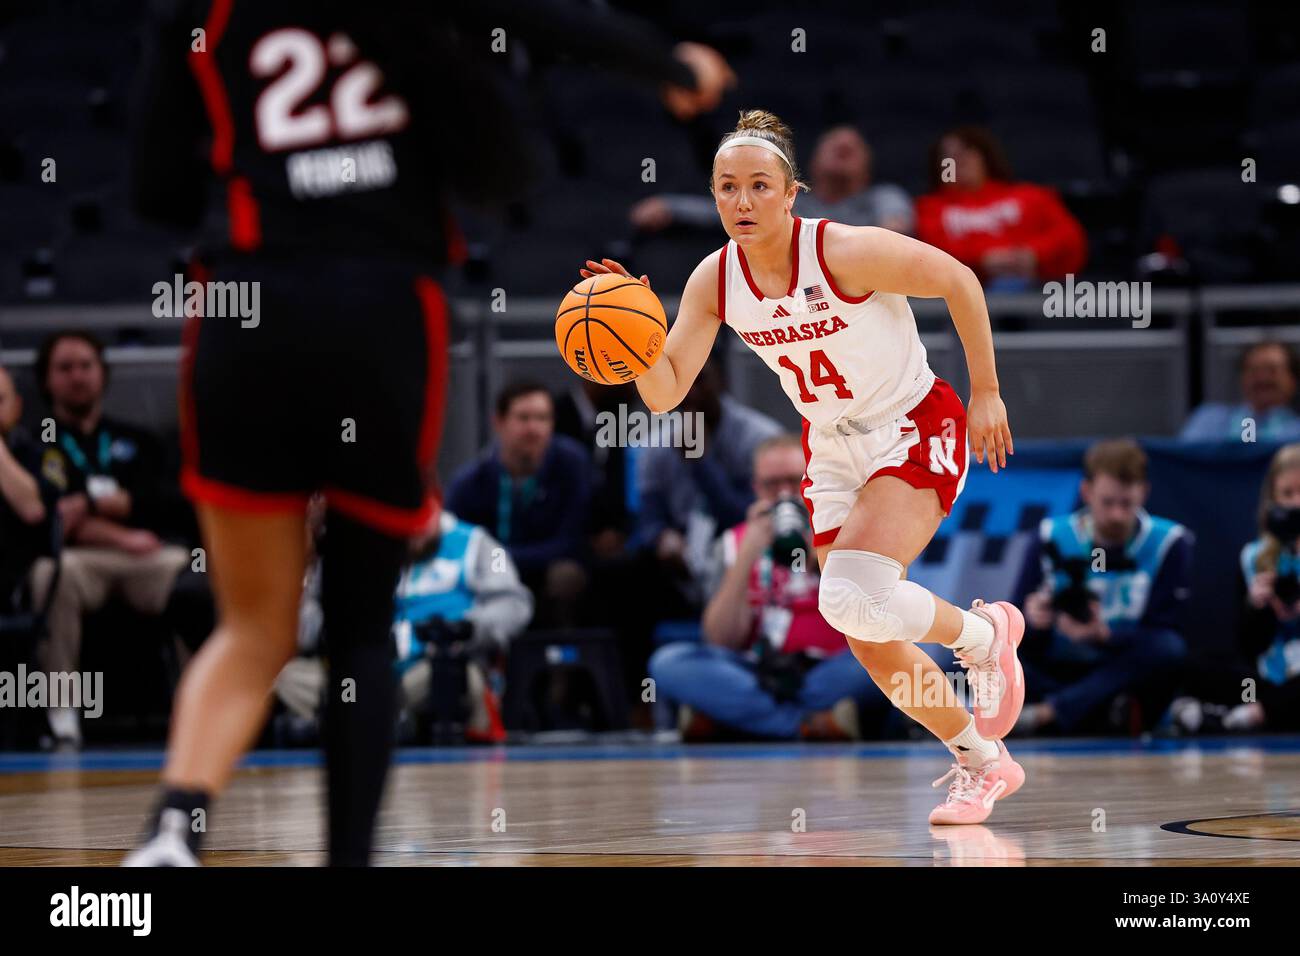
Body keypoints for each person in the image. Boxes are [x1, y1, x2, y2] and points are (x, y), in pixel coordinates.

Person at [125, 0, 734, 867]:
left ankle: (171, 831)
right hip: (382, 316)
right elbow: (550, 37)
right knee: (361, 629)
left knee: (253, 627)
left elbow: (158, 196)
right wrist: (675, 66)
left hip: (246, 311)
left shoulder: (202, 13)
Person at [578, 109, 1025, 826]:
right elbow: (664, 393)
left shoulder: (843, 250)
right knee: (864, 629)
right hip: (830, 447)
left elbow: (958, 279)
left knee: (850, 595)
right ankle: (983, 762)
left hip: (914, 422)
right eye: (728, 187)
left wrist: (989, 393)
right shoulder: (714, 279)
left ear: (792, 195)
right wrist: (632, 337)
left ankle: (983, 638)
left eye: (760, 186)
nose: (743, 201)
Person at [651, 434, 902, 741]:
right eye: (772, 485)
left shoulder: (845, 532)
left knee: (907, 653)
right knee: (670, 663)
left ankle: (737, 721)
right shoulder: (733, 543)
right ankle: (811, 724)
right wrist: (746, 557)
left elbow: (881, 617)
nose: (784, 494)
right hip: (757, 671)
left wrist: (827, 559)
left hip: (829, 668)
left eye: (793, 481)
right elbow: (719, 640)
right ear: (755, 488)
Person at [28, 331, 192, 750]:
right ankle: (62, 714)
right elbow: (53, 517)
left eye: (86, 366)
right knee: (49, 576)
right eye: (64, 368)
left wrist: (118, 505)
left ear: (102, 374)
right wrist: (112, 519)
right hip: (78, 560)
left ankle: (196, 709)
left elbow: (172, 503)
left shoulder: (138, 440)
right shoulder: (38, 443)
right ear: (46, 380)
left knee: (191, 573)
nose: (77, 376)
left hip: (146, 559)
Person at [1011, 440, 1191, 735]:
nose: (1117, 515)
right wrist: (1032, 620)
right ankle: (1093, 712)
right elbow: (1015, 619)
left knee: (1168, 651)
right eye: (1108, 503)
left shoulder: (1170, 542)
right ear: (1087, 492)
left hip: (1120, 667)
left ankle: (1050, 714)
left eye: (1127, 504)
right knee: (995, 653)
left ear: (1143, 493)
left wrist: (1104, 635)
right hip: (1059, 666)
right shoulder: (1050, 536)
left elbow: (1165, 629)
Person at [1172, 443, 1300, 733]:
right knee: (1190, 663)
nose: (1296, 504)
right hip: (1266, 680)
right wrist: (1258, 607)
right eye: (1287, 494)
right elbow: (1248, 647)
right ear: (1272, 500)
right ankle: (1258, 711)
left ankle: (1242, 717)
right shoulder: (1254, 556)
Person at [446, 382, 591, 628]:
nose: (533, 428)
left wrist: (505, 557)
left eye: (542, 418)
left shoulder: (572, 463)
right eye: (523, 418)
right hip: (491, 572)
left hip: (546, 566)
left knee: (567, 575)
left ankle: (561, 661)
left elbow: (573, 540)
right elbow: (457, 545)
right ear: (499, 422)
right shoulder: (471, 482)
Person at [631, 125, 914, 235]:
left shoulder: (884, 196)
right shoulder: (793, 201)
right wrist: (669, 206)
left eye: (851, 150)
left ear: (867, 167)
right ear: (813, 165)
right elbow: (729, 208)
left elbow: (896, 230)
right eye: (834, 148)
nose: (843, 149)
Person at [915, 125, 1087, 292]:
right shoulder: (931, 208)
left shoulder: (1029, 196)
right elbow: (931, 252)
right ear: (939, 167)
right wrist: (983, 260)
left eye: (967, 151)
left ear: (985, 158)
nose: (959, 160)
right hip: (965, 294)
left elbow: (1069, 235)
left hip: (1036, 288)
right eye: (949, 155)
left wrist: (1033, 254)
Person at [1179, 341, 1300, 444]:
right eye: (1254, 371)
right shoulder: (1208, 420)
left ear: (1293, 380)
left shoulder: (1296, 432)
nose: (1262, 378)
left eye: (1272, 370)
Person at [0, 366, 49, 607]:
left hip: (12, 584)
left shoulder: (36, 453)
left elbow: (32, 510)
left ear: (17, 406)